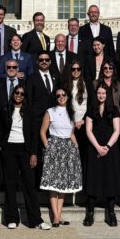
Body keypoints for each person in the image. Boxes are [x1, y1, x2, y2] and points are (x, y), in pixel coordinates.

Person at [0, 85, 49, 230]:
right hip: (9, 149)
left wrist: (33, 153)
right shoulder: (5, 110)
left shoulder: (29, 111)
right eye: (16, 93)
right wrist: (1, 146)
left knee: (29, 185)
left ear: (25, 96)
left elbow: (33, 134)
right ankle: (12, 218)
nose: (19, 95)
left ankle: (36, 219)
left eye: (22, 94)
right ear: (13, 94)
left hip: (25, 150)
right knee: (10, 185)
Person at [39, 87, 83, 226]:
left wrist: (76, 148)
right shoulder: (50, 112)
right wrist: (48, 147)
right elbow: (42, 132)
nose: (61, 97)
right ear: (55, 98)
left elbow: (71, 134)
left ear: (68, 97)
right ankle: (56, 217)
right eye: (58, 96)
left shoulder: (71, 113)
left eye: (64, 95)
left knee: (63, 184)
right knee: (53, 183)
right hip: (54, 147)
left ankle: (59, 215)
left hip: (68, 148)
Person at [84, 84, 120, 226]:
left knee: (110, 179)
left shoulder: (114, 109)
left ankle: (111, 213)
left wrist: (106, 147)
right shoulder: (91, 109)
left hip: (110, 148)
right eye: (99, 93)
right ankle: (90, 213)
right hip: (94, 147)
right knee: (93, 178)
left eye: (103, 93)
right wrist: (98, 147)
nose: (101, 95)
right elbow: (88, 130)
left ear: (107, 95)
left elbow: (117, 130)